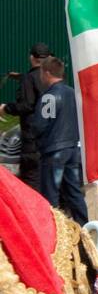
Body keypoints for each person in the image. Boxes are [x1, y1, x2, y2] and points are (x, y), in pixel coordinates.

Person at [31, 57, 89, 226]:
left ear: (47, 73)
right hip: (73, 148)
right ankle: (85, 228)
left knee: (50, 194)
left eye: (42, 73)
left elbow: (40, 125)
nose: (40, 77)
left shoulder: (49, 97)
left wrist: (36, 139)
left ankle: (53, 231)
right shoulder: (72, 93)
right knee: (74, 192)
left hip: (53, 150)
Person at [3, 42, 52, 189]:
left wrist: (6, 108)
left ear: (31, 57)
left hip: (33, 138)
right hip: (51, 135)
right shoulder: (54, 78)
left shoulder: (29, 79)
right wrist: (23, 77)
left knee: (31, 182)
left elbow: (26, 105)